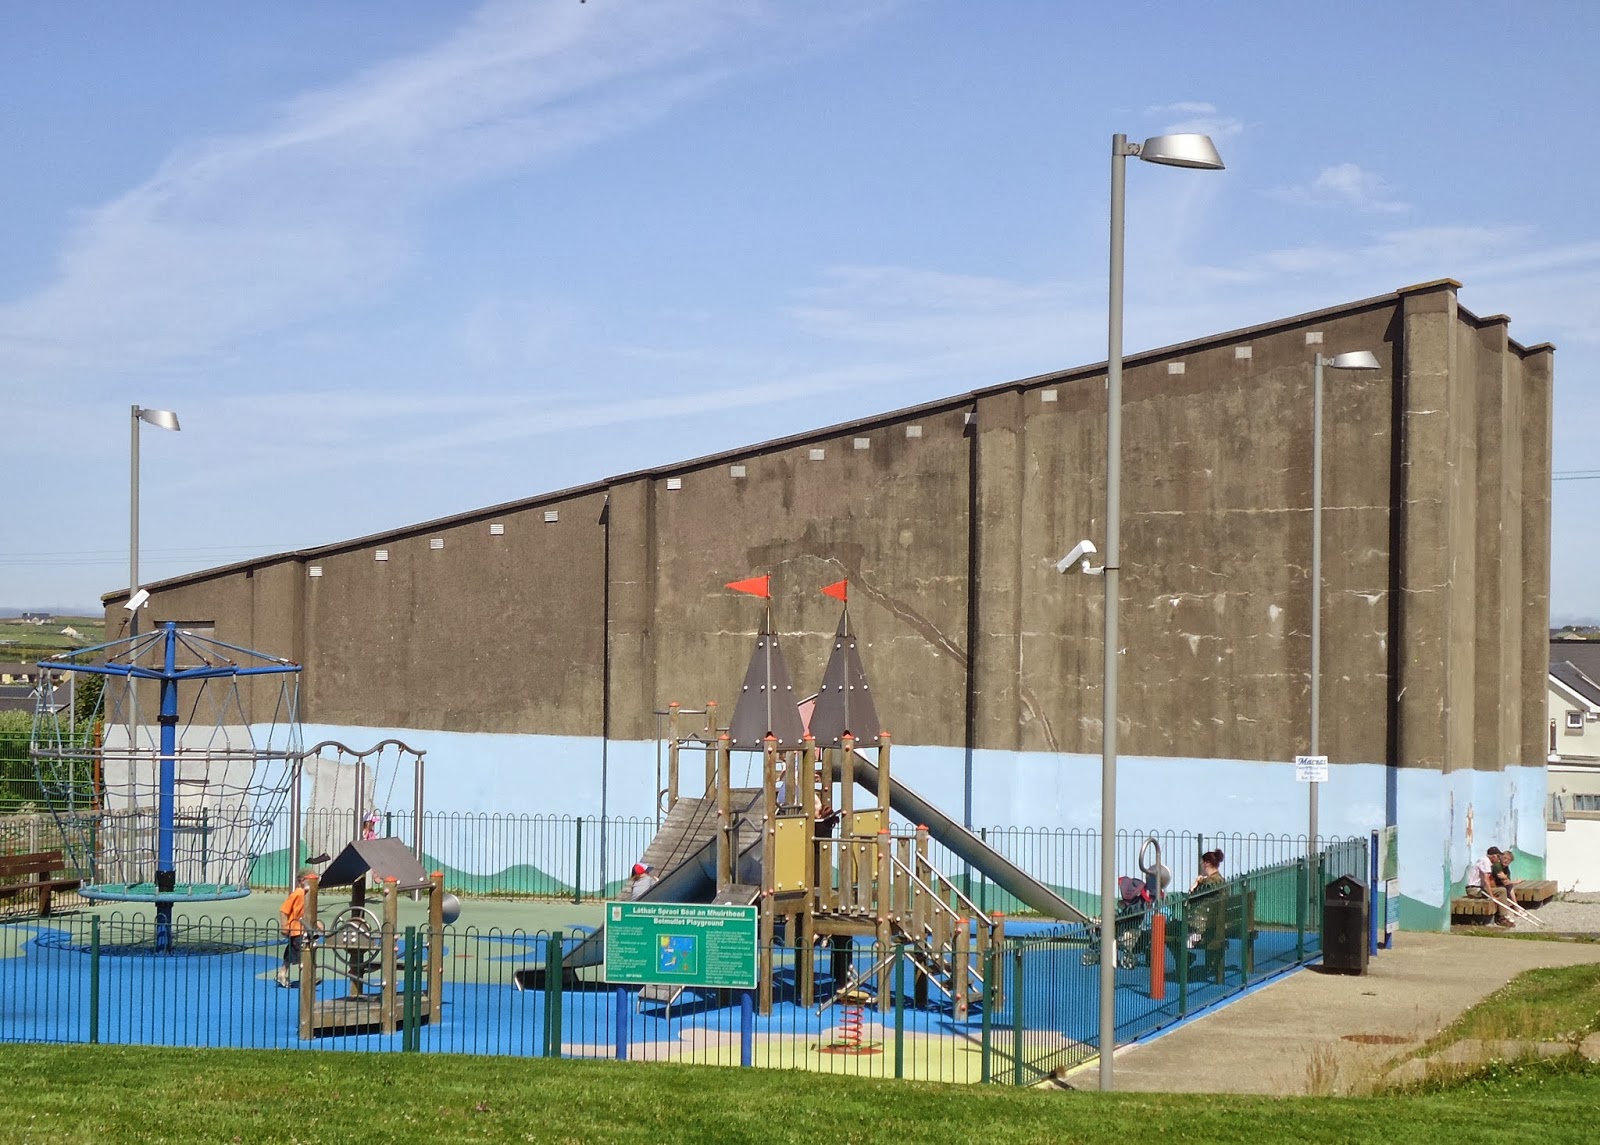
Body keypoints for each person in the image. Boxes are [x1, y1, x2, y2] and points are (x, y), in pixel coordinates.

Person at [277, 869, 313, 987]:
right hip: (296, 929)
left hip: (303, 928)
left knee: (291, 953)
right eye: (310, 879)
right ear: (302, 880)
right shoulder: (297, 894)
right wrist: (284, 926)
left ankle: (282, 973)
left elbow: (309, 912)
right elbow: (284, 910)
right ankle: (307, 978)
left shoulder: (308, 894)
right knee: (303, 954)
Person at [1469, 846, 1515, 928]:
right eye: (1498, 856)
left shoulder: (1485, 861)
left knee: (1501, 890)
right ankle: (1502, 918)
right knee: (1502, 891)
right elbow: (1487, 880)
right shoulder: (1486, 862)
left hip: (1478, 888)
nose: (1499, 859)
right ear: (1493, 856)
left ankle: (1502, 915)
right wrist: (1491, 895)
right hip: (1475, 889)